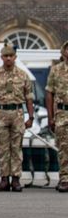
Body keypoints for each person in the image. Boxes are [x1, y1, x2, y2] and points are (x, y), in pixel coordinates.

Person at [0, 44, 34, 192]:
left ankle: (15, 179)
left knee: (16, 148)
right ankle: (4, 179)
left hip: (17, 113)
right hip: (1, 113)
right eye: (5, 56)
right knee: (2, 148)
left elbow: (29, 97)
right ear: (1, 57)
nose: (8, 58)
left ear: (15, 57)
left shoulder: (23, 75)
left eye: (11, 56)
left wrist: (31, 117)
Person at [44, 40, 68, 193]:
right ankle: (65, 179)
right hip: (62, 113)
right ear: (63, 52)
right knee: (63, 148)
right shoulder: (56, 70)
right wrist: (50, 117)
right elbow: (49, 93)